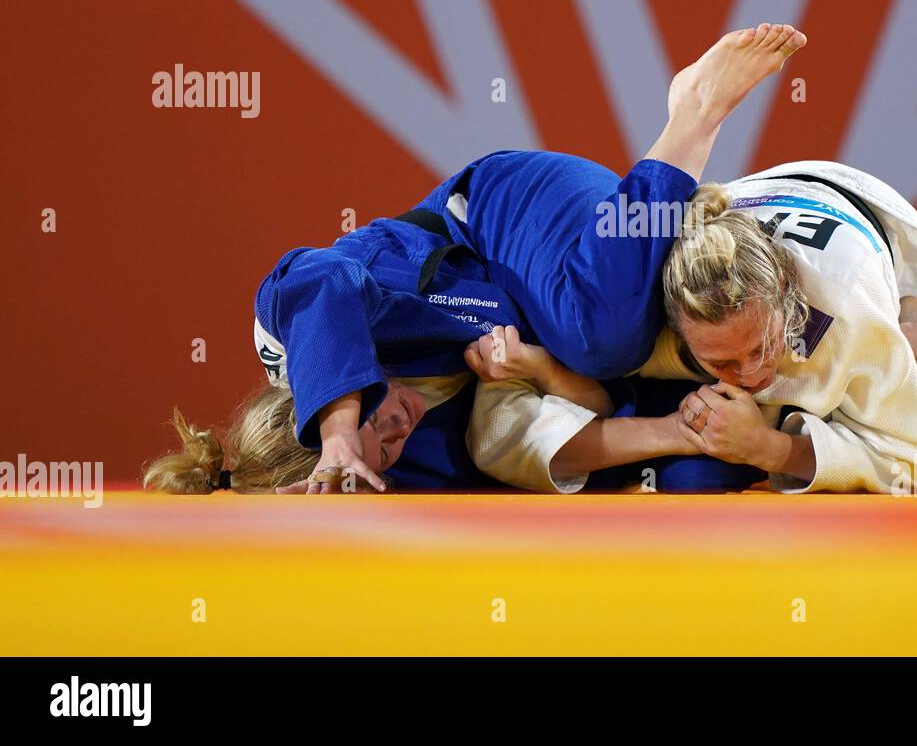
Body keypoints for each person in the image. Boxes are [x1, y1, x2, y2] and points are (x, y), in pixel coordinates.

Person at [143, 24, 809, 493]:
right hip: (568, 322)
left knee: (601, 333)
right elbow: (546, 434)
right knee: (700, 464)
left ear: (315, 399)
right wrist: (673, 430)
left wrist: (340, 429)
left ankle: (689, 118)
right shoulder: (399, 470)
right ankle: (880, 334)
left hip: (505, 218)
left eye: (372, 423)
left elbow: (320, 277)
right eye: (383, 456)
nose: (395, 428)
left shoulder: (294, 333)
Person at [468, 162, 917, 496]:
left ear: (787, 295)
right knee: (689, 473)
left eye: (761, 348)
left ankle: (910, 329)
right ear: (675, 331)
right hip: (743, 232)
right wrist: (537, 368)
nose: (753, 374)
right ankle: (896, 345)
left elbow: (910, 462)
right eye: (721, 364)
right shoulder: (634, 311)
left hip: (849, 234)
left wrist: (770, 447)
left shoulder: (844, 309)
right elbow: (509, 433)